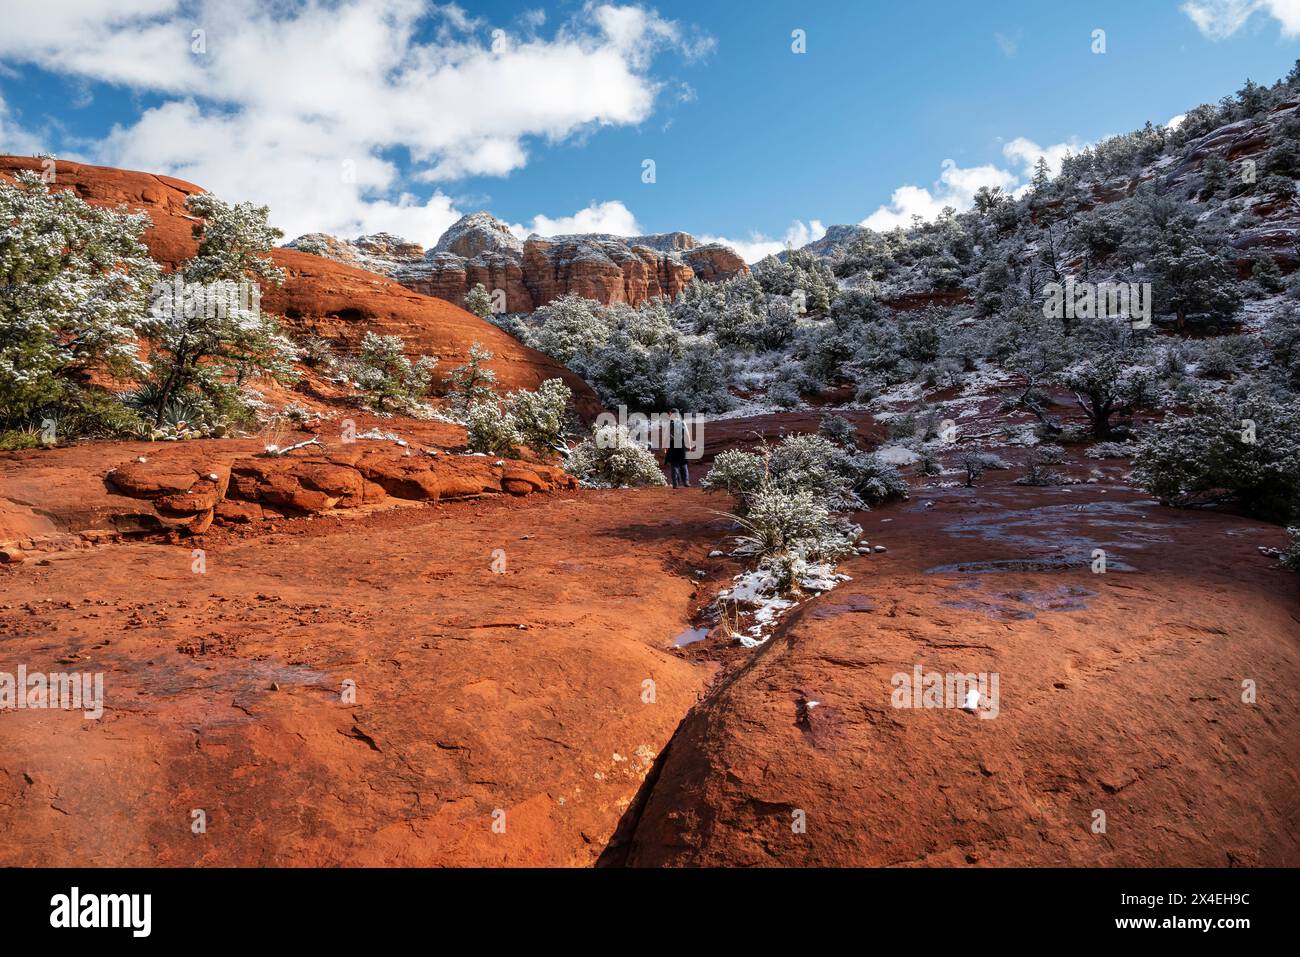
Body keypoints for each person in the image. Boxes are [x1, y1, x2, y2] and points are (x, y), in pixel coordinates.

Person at [664, 408, 691, 488]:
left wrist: (665, 447)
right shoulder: (682, 422)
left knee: (674, 464)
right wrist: (689, 445)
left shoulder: (669, 423)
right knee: (683, 463)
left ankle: (675, 483)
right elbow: (687, 434)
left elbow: (666, 436)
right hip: (681, 444)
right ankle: (686, 482)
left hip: (672, 445)